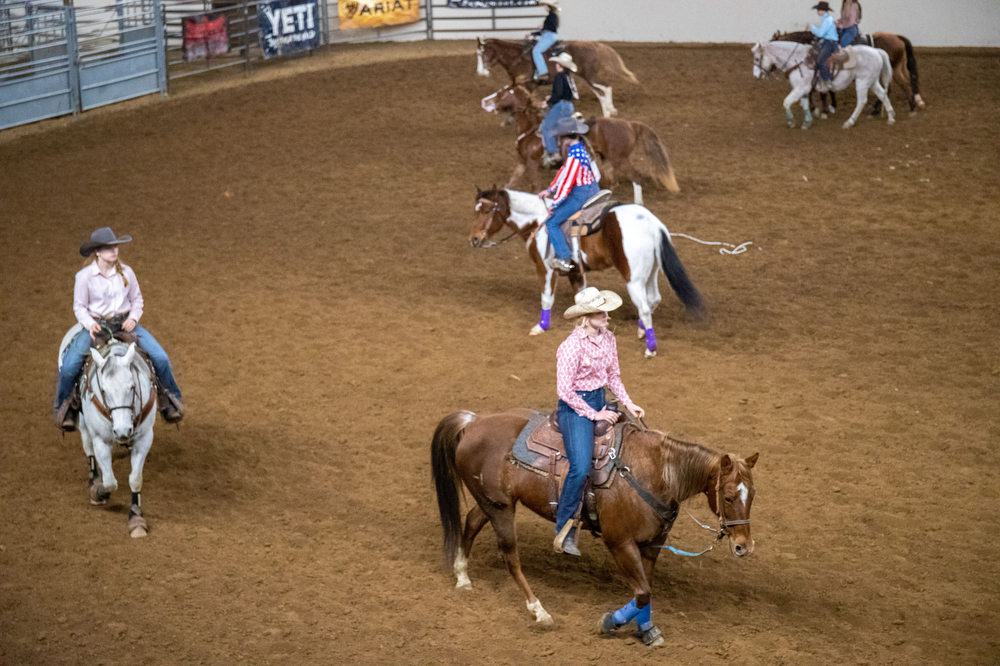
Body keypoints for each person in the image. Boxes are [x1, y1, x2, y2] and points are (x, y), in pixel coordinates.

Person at [54, 227, 184, 431]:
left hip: (125, 325)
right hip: (97, 327)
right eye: (107, 248)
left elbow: (137, 300)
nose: (113, 251)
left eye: (114, 247)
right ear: (97, 252)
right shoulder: (84, 277)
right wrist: (90, 324)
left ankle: (170, 400)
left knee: (161, 358)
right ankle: (65, 408)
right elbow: (79, 306)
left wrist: (133, 317)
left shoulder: (127, 273)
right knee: (70, 366)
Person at [553, 287, 645, 556]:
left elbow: (613, 376)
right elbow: (565, 391)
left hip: (600, 399)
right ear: (586, 316)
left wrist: (629, 403)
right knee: (580, 468)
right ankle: (564, 530)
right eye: (600, 311)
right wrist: (595, 414)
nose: (606, 315)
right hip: (575, 408)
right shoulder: (570, 347)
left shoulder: (609, 339)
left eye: (605, 310)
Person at [538, 116, 600, 274]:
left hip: (581, 195)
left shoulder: (573, 157)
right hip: (593, 189)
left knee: (551, 223)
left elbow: (566, 183)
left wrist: (555, 203)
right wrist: (550, 189)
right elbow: (563, 172)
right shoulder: (580, 150)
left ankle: (564, 256)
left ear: (565, 138)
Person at [539, 52, 577, 166]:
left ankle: (553, 153)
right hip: (570, 106)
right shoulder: (568, 77)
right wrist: (552, 98)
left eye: (557, 63)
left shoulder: (559, 76)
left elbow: (558, 93)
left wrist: (548, 102)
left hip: (561, 106)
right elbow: (567, 93)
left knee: (547, 126)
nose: (556, 65)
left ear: (560, 65)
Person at [529, 1, 560, 81]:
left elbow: (550, 28)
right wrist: (532, 34)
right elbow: (545, 29)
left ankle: (543, 71)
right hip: (547, 35)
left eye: (546, 6)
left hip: (549, 36)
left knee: (536, 51)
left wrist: (543, 27)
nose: (545, 7)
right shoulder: (552, 16)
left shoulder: (552, 16)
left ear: (549, 7)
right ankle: (537, 70)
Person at [809, 1, 839, 82]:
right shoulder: (827, 19)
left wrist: (812, 28)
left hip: (830, 43)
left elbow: (821, 33)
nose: (817, 12)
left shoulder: (828, 20)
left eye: (818, 10)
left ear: (822, 11)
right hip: (827, 41)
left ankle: (827, 80)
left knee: (821, 60)